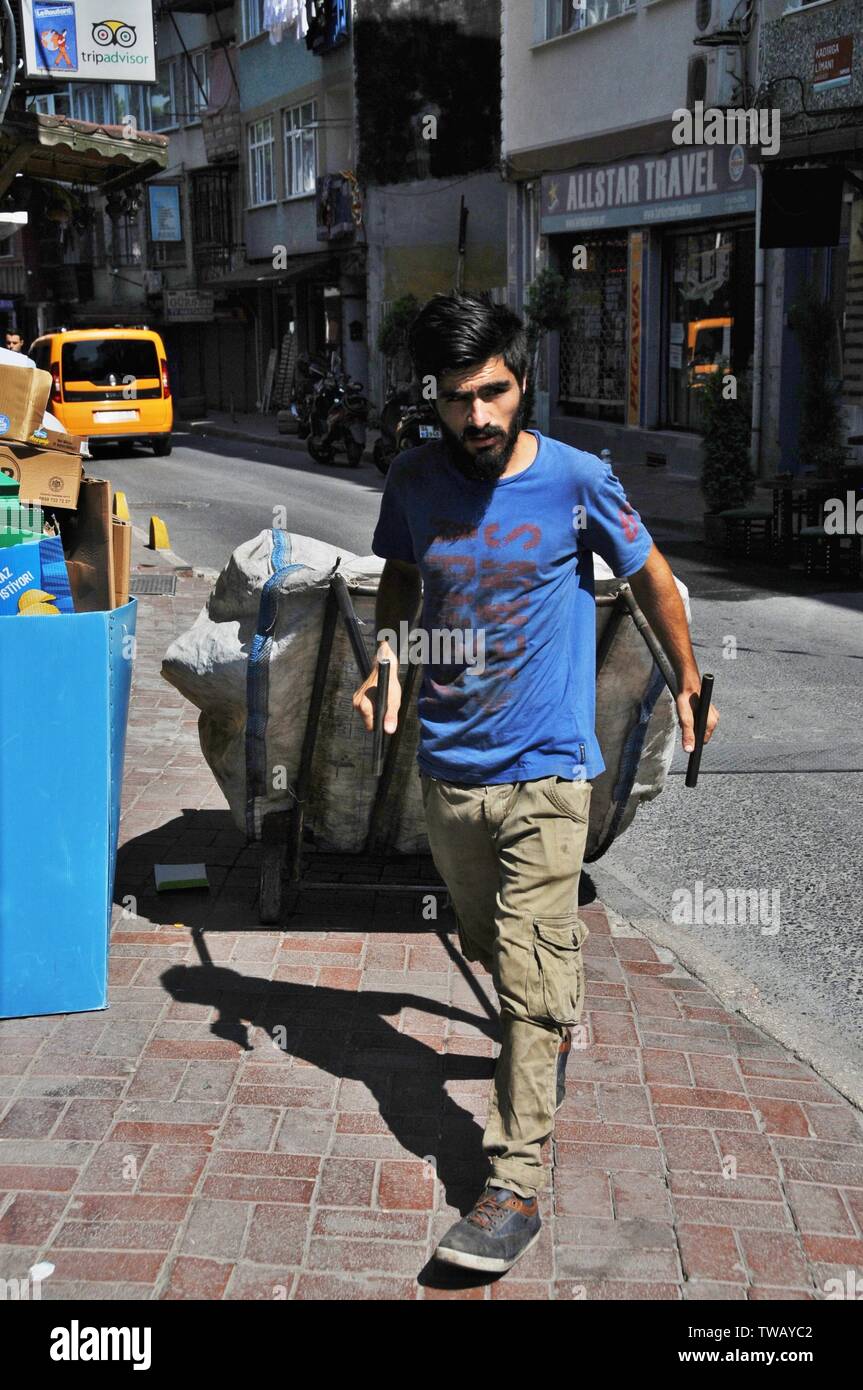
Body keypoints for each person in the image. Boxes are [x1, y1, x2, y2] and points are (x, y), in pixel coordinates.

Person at [352, 291, 719, 1275]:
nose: (477, 416)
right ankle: (547, 1006)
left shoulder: (575, 480)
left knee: (523, 969)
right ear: (432, 396)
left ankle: (511, 1180)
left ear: (523, 384)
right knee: (487, 941)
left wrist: (688, 681)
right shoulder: (413, 479)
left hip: (549, 772)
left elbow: (653, 580)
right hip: (450, 775)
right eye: (458, 398)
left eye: (495, 393)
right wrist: (388, 657)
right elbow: (397, 579)